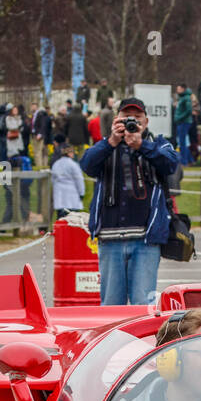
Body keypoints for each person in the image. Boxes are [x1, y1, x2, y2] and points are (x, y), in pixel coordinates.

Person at [81, 96, 178, 306]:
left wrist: (141, 145)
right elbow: (87, 165)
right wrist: (111, 142)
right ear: (117, 120)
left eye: (137, 117)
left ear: (146, 121)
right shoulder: (106, 146)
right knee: (110, 306)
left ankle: (141, 341)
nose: (132, 122)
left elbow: (171, 164)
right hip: (110, 239)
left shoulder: (157, 144)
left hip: (145, 240)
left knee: (143, 305)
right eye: (126, 117)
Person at [50, 142, 85, 219]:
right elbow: (79, 180)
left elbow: (53, 180)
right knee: (73, 221)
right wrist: (81, 193)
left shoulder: (56, 164)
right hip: (72, 197)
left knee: (61, 220)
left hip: (59, 198)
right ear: (69, 153)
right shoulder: (73, 165)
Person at [174, 83, 194, 165]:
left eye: (178, 89)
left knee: (182, 142)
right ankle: (190, 160)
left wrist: (180, 117)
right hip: (181, 122)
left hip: (184, 122)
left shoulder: (186, 98)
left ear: (183, 89)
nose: (177, 90)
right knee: (182, 142)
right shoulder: (181, 97)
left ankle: (184, 161)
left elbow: (189, 110)